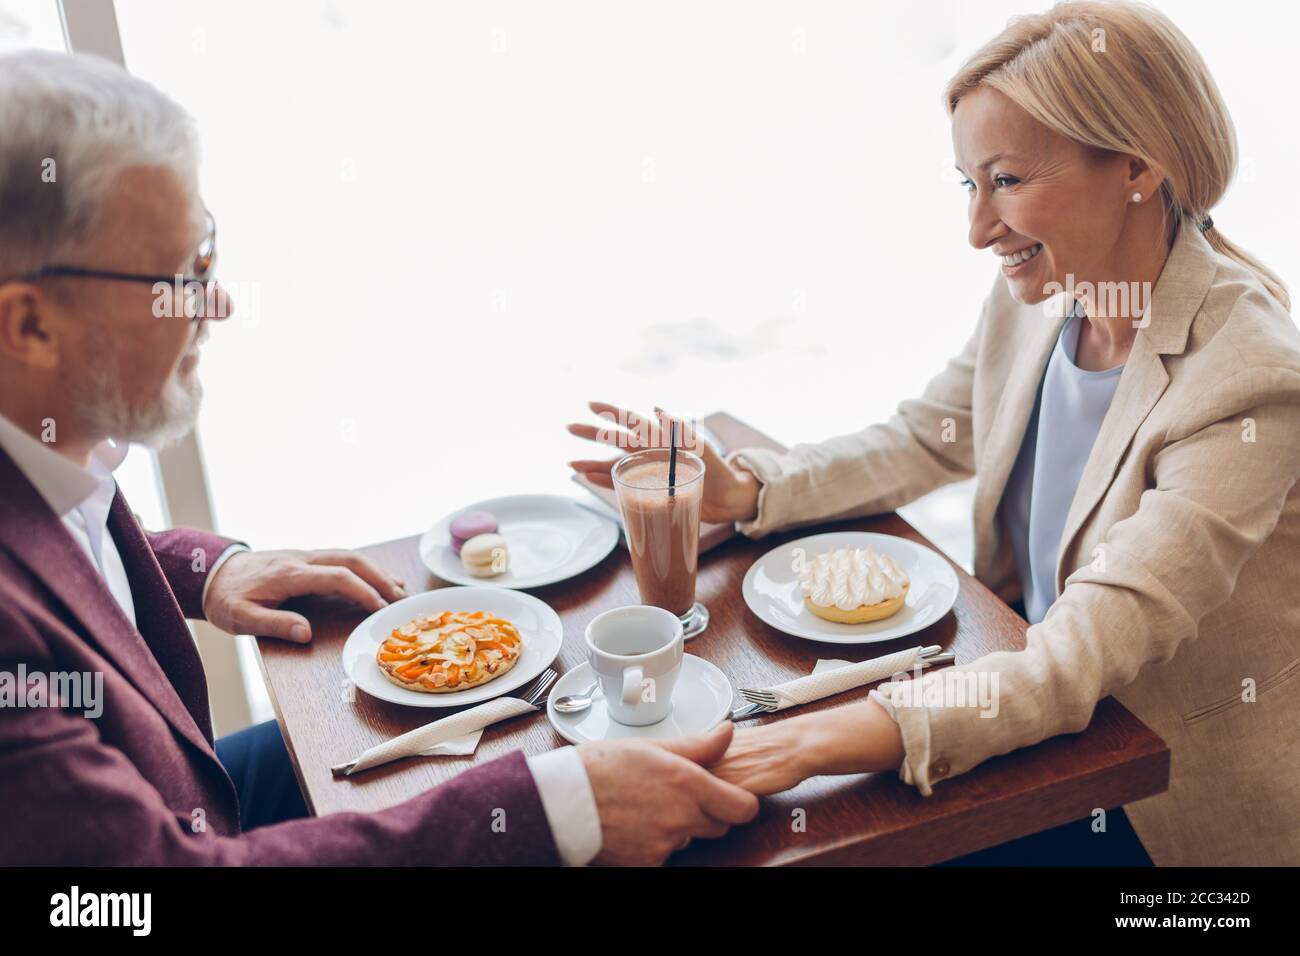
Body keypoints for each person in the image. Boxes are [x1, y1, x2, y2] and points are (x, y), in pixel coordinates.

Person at [570, 1, 1300, 866]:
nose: (978, 231)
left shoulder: (1247, 380)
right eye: (969, 184)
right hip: (1029, 699)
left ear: (1136, 164)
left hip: (1154, 797)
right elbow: (930, 435)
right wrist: (752, 488)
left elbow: (1074, 660)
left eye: (1008, 181)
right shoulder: (1051, 286)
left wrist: (795, 748)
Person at [0, 49, 758, 866]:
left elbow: (62, 551)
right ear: (31, 326)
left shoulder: (44, 445)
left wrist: (201, 572)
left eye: (208, 256)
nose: (216, 304)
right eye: (178, 279)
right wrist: (550, 814)